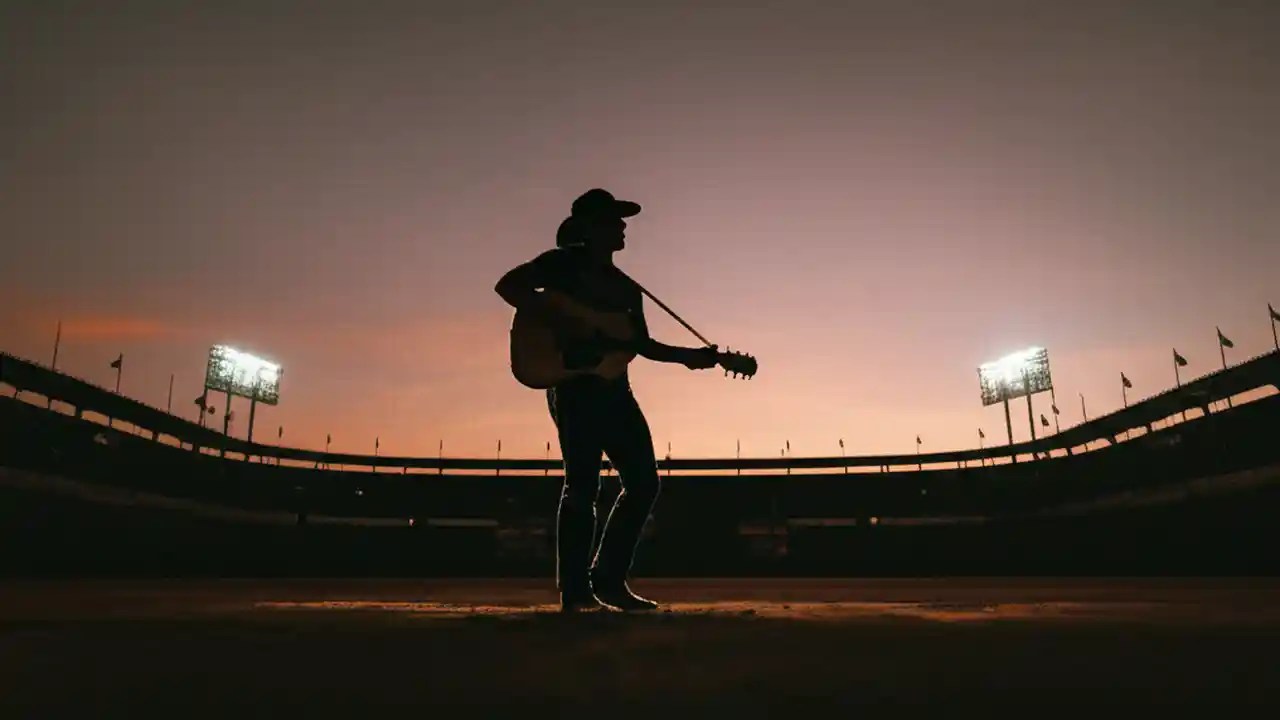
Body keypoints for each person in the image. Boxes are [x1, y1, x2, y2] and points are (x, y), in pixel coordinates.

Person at [494, 188, 719, 612]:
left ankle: (609, 580)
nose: (622, 228)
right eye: (613, 221)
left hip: (616, 388)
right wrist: (570, 319)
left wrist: (692, 358)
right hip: (575, 386)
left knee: (643, 482)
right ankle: (576, 590)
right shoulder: (560, 265)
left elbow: (642, 344)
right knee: (582, 485)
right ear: (589, 227)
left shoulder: (625, 288)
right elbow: (509, 286)